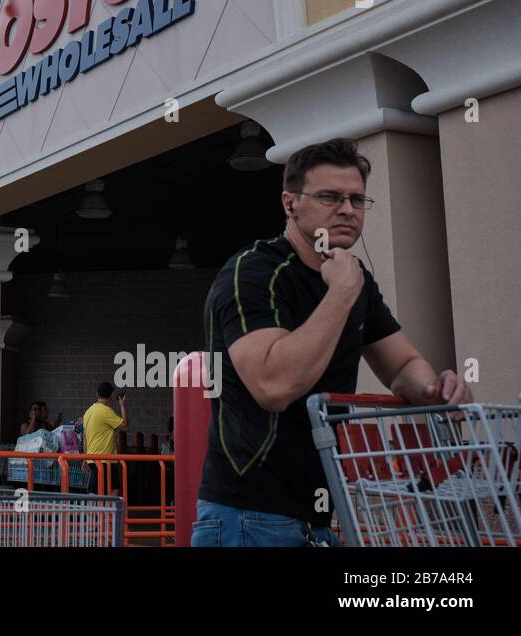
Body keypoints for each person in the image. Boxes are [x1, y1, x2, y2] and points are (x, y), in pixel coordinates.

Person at [195, 138, 472, 547]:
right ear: (290, 204)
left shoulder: (355, 278)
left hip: (320, 513)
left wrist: (438, 388)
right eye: (330, 197)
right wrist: (340, 294)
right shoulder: (254, 273)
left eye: (357, 200)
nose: (346, 210)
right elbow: (274, 386)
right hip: (249, 517)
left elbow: (400, 366)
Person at [83, 383, 128, 456]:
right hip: (104, 459)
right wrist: (122, 405)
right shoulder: (106, 411)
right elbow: (125, 427)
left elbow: (85, 437)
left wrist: (85, 458)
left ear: (97, 394)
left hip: (91, 459)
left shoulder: (88, 412)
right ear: (110, 396)